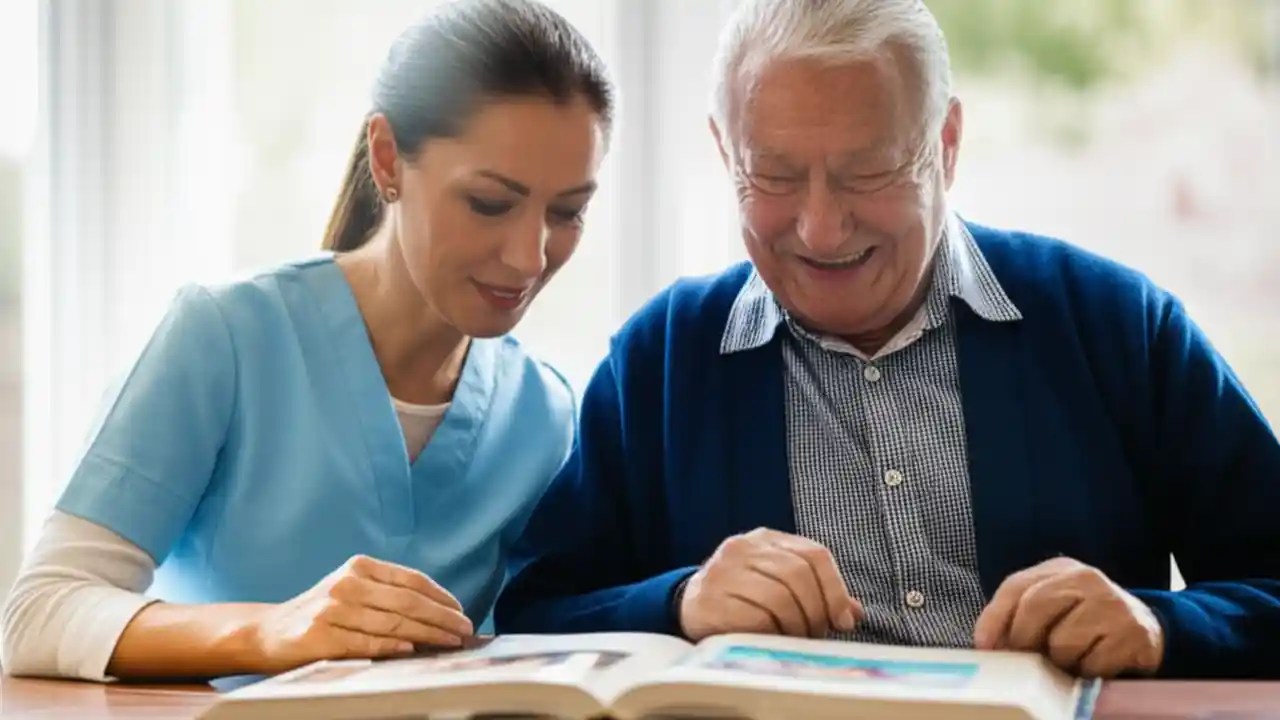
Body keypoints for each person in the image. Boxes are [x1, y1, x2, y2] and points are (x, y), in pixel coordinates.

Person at [495, 0, 1280, 680]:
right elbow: (535, 609)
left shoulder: (1116, 324)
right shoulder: (659, 359)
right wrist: (679, 600)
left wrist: (1158, 627)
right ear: (724, 152)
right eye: (771, 175)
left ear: (946, 143)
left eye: (867, 172)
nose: (820, 228)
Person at [1, 0, 613, 681]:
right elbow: (40, 612)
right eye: (490, 203)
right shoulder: (226, 337)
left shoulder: (546, 413)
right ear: (387, 159)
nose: (531, 258)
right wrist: (274, 629)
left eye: (568, 212)